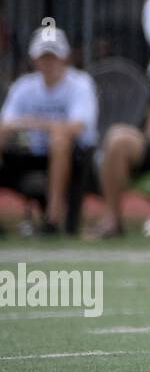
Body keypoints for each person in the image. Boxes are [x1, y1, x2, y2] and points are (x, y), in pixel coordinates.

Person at [0, 26, 98, 235]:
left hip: (75, 156)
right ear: (34, 59)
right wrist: (46, 125)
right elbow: (6, 125)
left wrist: (32, 123)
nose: (48, 63)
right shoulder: (23, 87)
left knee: (60, 140)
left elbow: (76, 127)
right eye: (44, 57)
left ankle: (53, 218)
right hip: (30, 152)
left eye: (53, 57)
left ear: (65, 58)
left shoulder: (80, 84)